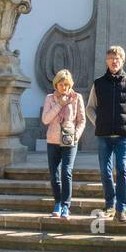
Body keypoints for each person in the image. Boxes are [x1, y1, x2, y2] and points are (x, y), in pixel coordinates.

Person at [85, 45, 126, 225]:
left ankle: (121, 209)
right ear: (107, 61)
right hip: (104, 135)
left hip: (123, 135)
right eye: (111, 58)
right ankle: (110, 204)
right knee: (105, 171)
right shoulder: (98, 83)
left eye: (117, 58)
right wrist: (97, 122)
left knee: (122, 170)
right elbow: (90, 108)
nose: (114, 61)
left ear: (122, 60)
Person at [40, 70, 86, 219]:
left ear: (70, 84)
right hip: (53, 140)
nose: (64, 87)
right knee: (54, 174)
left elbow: (81, 120)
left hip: (69, 140)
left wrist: (76, 136)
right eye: (61, 84)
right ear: (56, 84)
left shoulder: (77, 97)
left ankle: (66, 206)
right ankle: (58, 203)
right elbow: (46, 119)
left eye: (67, 84)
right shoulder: (49, 98)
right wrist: (59, 104)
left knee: (66, 172)